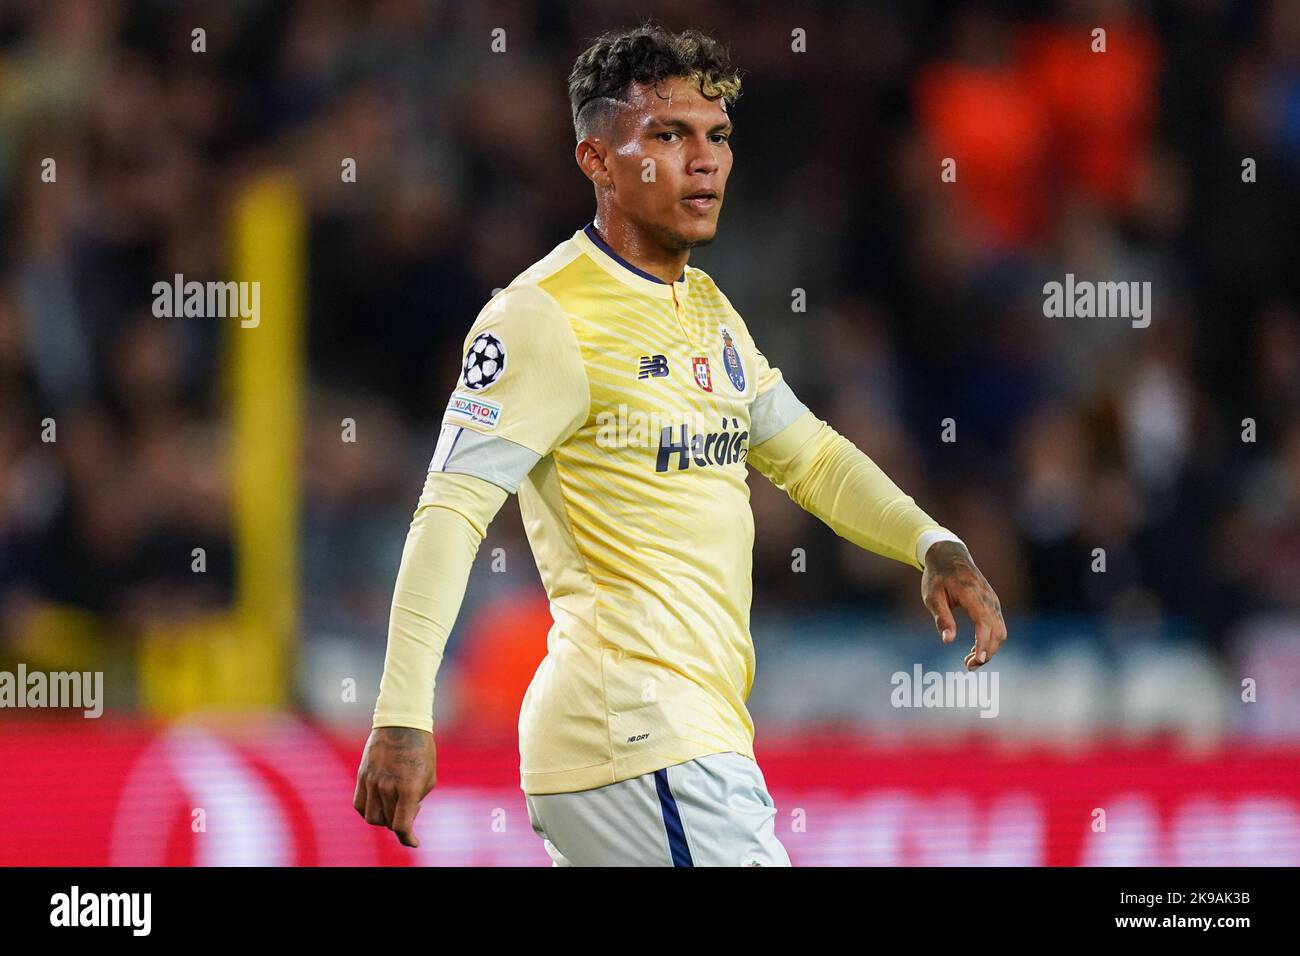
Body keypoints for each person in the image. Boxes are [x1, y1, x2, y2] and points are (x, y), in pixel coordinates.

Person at [354, 23, 1007, 867]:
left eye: (717, 135)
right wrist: (402, 715)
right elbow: (450, 510)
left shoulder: (707, 310)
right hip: (641, 735)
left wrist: (930, 541)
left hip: (669, 740)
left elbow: (809, 457)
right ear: (596, 160)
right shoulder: (542, 316)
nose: (705, 161)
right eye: (668, 135)